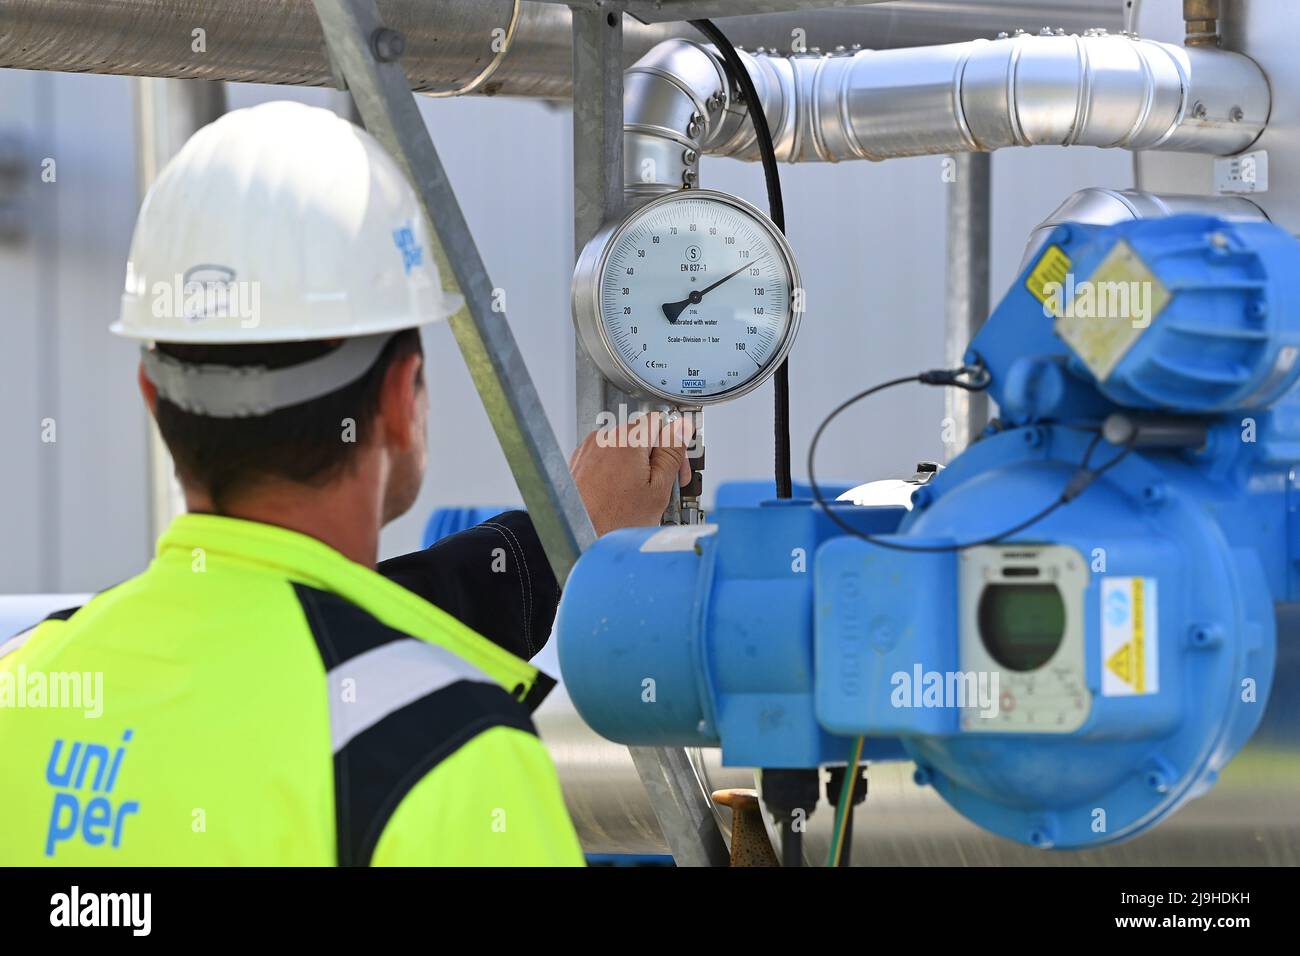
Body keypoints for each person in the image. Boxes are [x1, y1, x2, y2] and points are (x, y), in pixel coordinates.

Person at [0, 101, 691, 866]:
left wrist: (544, 549)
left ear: (152, 397)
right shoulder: (447, 756)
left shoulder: (25, 685)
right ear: (402, 401)